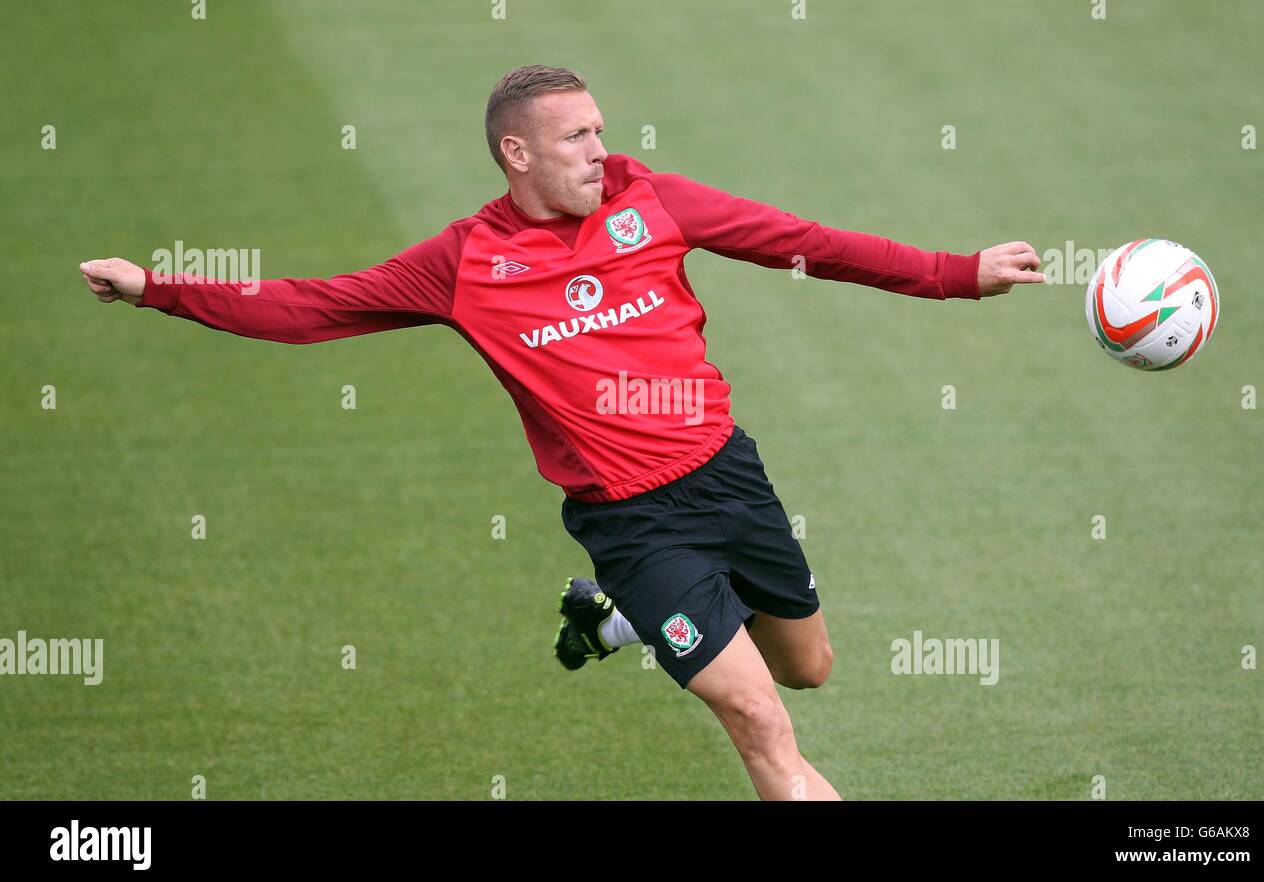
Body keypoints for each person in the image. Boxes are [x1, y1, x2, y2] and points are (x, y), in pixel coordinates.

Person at [79, 64, 1044, 800]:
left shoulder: (651, 199)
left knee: (809, 667)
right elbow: (312, 305)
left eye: (599, 130)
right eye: (576, 137)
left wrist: (957, 272)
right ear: (518, 154)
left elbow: (809, 243)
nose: (598, 149)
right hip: (631, 524)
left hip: (729, 478)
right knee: (761, 715)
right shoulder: (462, 263)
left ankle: (615, 620)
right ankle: (643, 600)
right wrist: (157, 289)